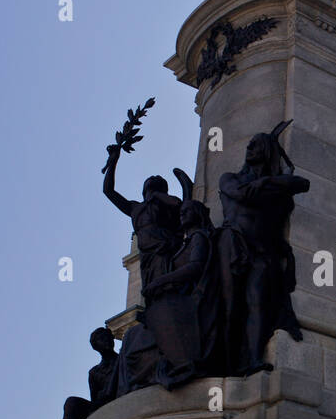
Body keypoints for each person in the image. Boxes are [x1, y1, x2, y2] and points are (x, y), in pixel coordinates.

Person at [217, 123, 310, 376]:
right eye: (249, 144)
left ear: (268, 151)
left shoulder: (276, 192)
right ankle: (223, 363)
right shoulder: (229, 178)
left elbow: (302, 184)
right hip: (233, 246)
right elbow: (244, 194)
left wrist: (279, 182)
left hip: (263, 250)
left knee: (257, 301)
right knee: (228, 307)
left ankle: (255, 358)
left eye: (256, 144)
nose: (249, 147)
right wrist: (278, 181)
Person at [142, 200, 221, 388]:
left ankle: (184, 364)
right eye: (181, 212)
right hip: (182, 298)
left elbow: (196, 266)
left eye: (187, 211)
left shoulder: (199, 238)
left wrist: (161, 281)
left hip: (196, 299)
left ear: (198, 214)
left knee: (162, 313)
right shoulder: (184, 244)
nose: (182, 214)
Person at [102, 147, 194, 297]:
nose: (153, 177)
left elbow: (180, 205)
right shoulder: (134, 207)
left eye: (156, 181)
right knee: (152, 289)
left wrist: (158, 195)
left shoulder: (167, 203)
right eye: (150, 180)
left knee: (166, 286)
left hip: (165, 248)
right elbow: (108, 191)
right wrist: (113, 161)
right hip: (147, 253)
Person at [43, 327, 118, 419]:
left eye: (107, 337)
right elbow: (94, 398)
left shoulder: (122, 360)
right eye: (101, 339)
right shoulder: (94, 372)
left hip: (118, 399)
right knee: (72, 402)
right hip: (101, 404)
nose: (106, 341)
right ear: (96, 347)